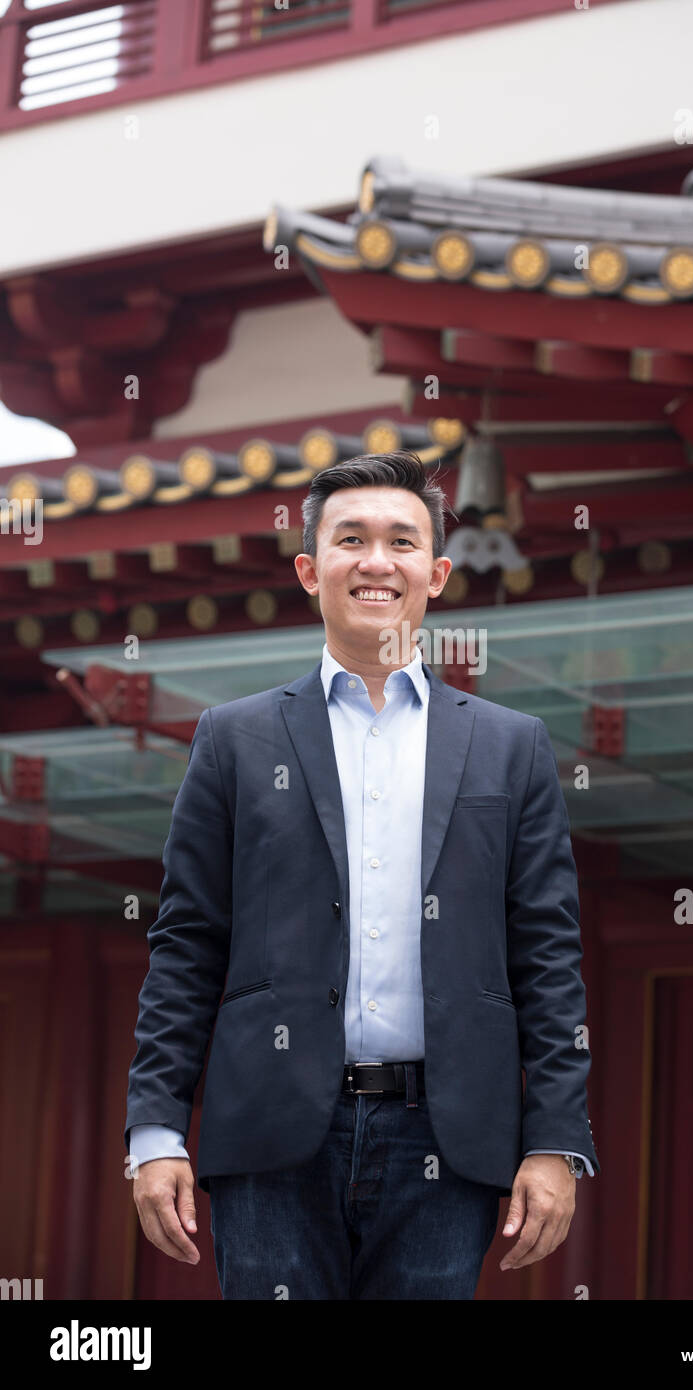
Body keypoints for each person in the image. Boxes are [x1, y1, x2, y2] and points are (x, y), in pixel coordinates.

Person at [125, 451, 599, 1299]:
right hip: (271, 1135)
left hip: (446, 1140)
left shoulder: (510, 745)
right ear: (311, 569)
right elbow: (188, 942)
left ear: (437, 572)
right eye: (350, 539)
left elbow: (548, 956)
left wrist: (555, 1138)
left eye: (401, 542)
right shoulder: (234, 740)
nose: (377, 562)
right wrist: (157, 1129)